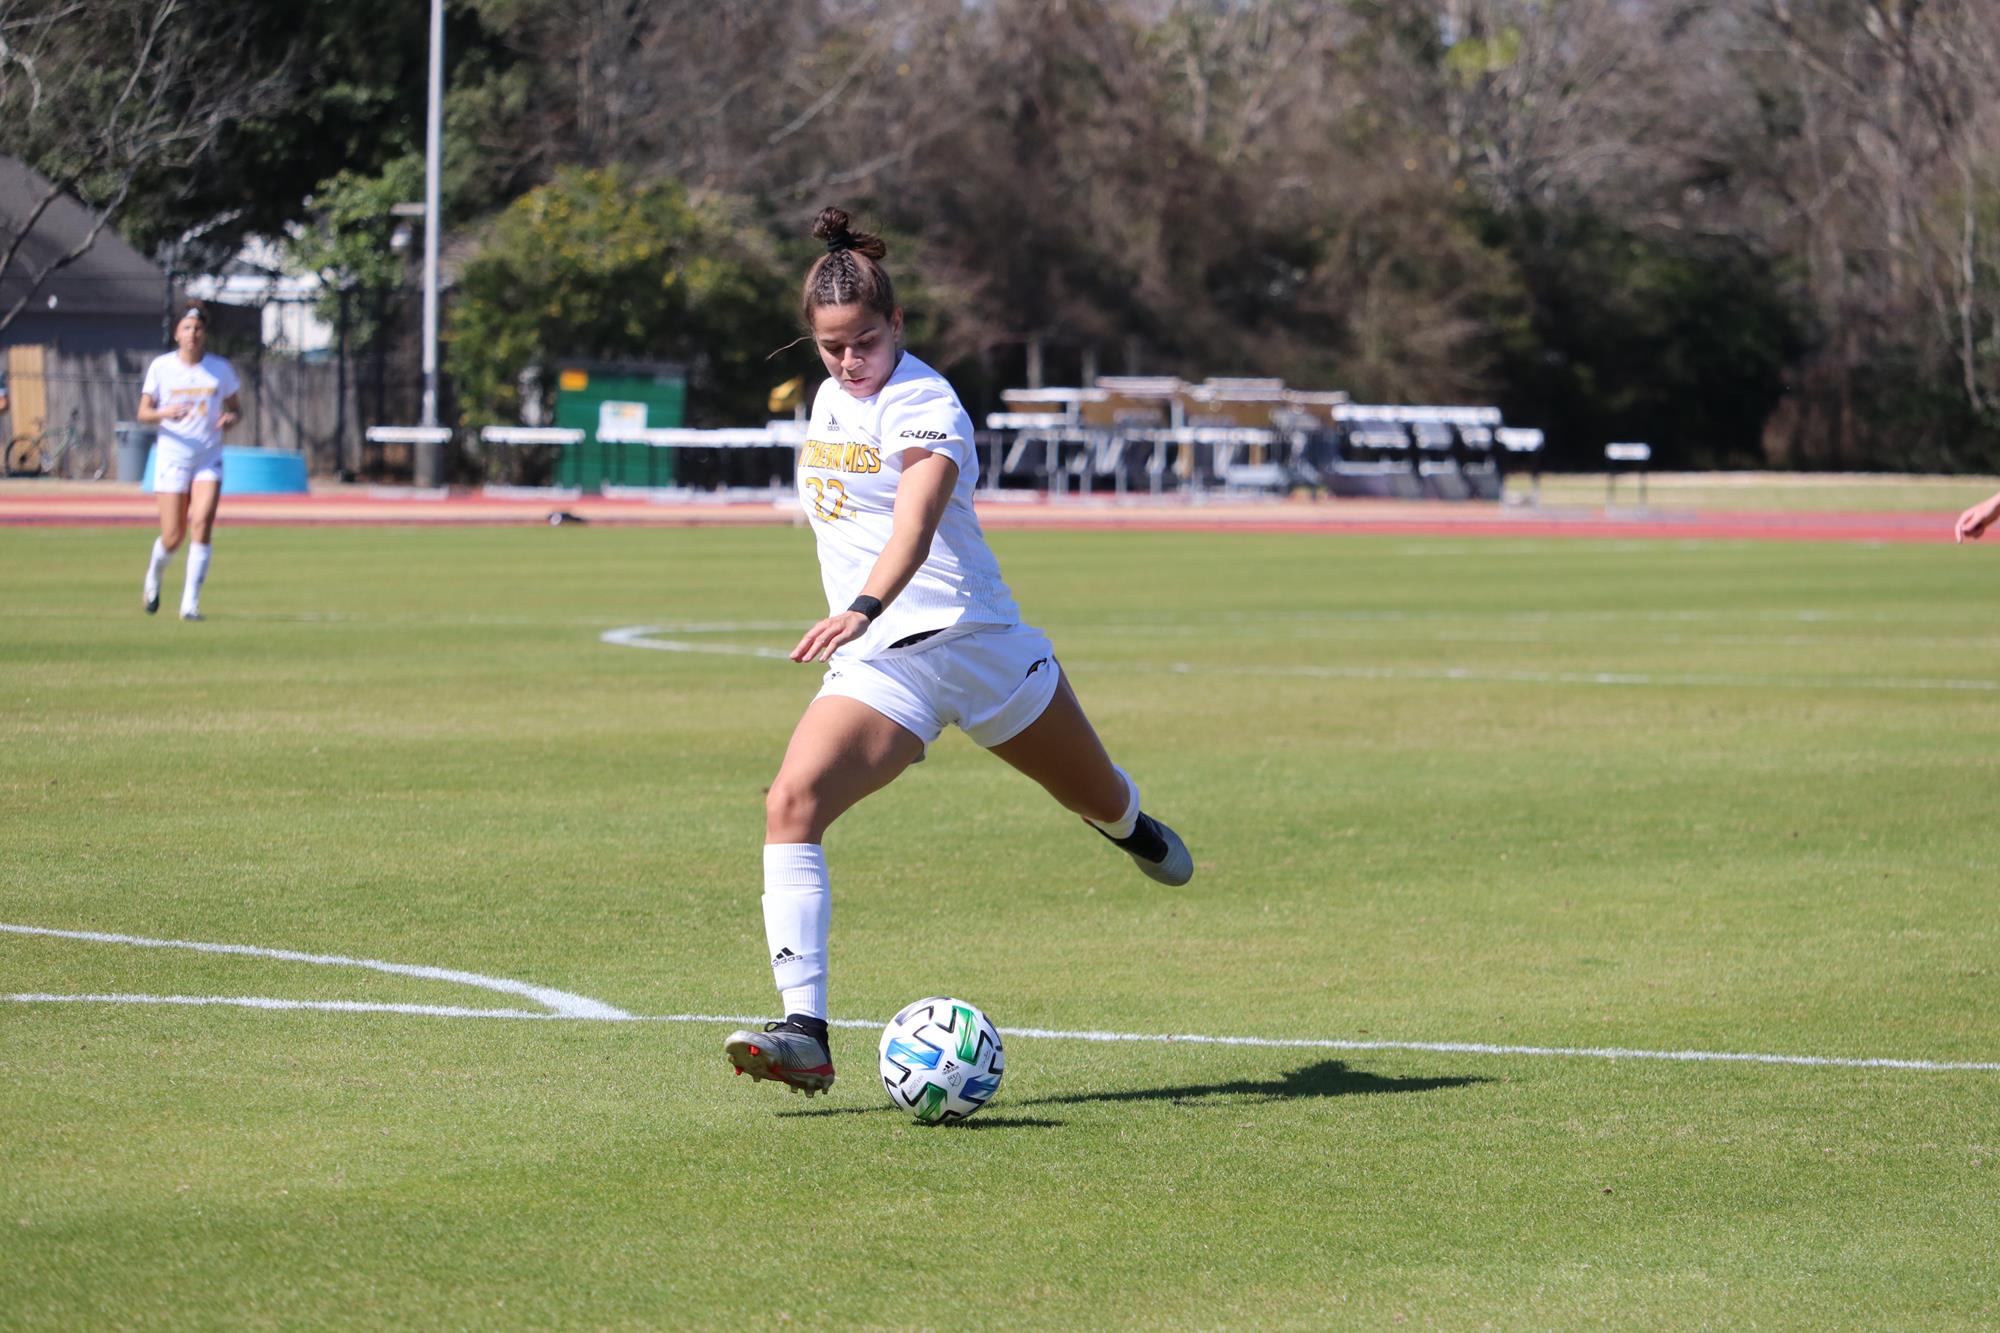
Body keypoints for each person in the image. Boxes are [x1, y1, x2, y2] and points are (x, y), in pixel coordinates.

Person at [723, 208, 1194, 1098]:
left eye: (865, 341)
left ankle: (1129, 823)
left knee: (1101, 801)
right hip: (885, 665)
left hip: (975, 642)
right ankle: (804, 1032)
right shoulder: (828, 397)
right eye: (830, 347)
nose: (849, 361)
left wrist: (861, 604)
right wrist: (865, 626)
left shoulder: (927, 402)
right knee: (791, 800)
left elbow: (915, 522)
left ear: (898, 326)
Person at [135, 305, 240, 620]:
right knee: (173, 535)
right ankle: (154, 577)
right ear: (176, 333)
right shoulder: (162, 367)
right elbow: (143, 413)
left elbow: (236, 408)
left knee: (203, 522)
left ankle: (189, 604)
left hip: (208, 456)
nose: (192, 334)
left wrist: (230, 418)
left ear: (204, 333)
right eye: (187, 328)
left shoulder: (219, 369)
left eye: (198, 328)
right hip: (173, 456)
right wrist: (164, 413)